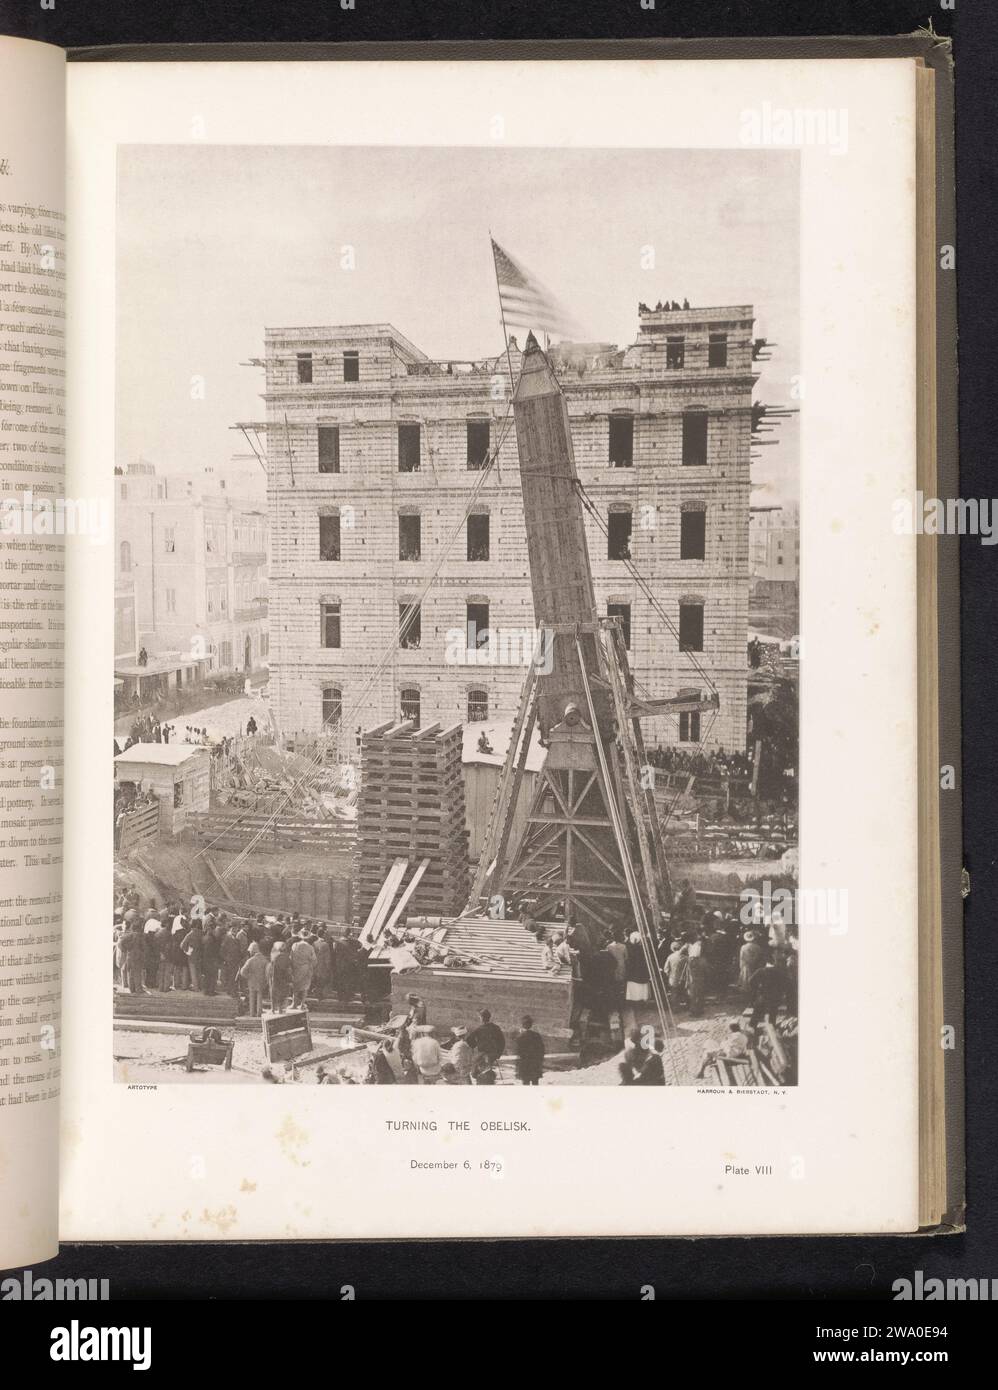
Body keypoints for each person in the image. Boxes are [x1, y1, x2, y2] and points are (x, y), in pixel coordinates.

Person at [238, 942, 268, 1018]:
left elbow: (242, 972)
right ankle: (259, 1014)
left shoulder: (250, 960)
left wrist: (248, 976)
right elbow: (268, 972)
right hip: (261, 982)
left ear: (253, 951)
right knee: (260, 997)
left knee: (252, 998)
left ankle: (252, 1014)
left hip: (251, 981)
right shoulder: (265, 960)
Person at [513, 1016, 545, 1085]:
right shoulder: (537, 1035)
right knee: (535, 1082)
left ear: (523, 1025)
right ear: (531, 1025)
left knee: (525, 1082)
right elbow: (542, 1050)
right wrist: (540, 1061)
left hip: (525, 1064)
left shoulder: (520, 1037)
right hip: (535, 1064)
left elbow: (518, 1052)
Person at [290, 933, 316, 1007]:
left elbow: (291, 957)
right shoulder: (310, 947)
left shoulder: (295, 945)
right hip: (306, 968)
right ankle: (302, 1004)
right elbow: (314, 960)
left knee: (296, 986)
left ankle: (294, 1003)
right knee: (305, 987)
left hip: (296, 968)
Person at [268, 941, 292, 1013]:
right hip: (284, 978)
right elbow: (289, 970)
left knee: (273, 993)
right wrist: (289, 979)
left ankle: (273, 1009)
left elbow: (272, 968)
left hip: (275, 978)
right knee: (282, 993)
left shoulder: (275, 957)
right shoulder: (287, 958)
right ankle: (280, 1009)